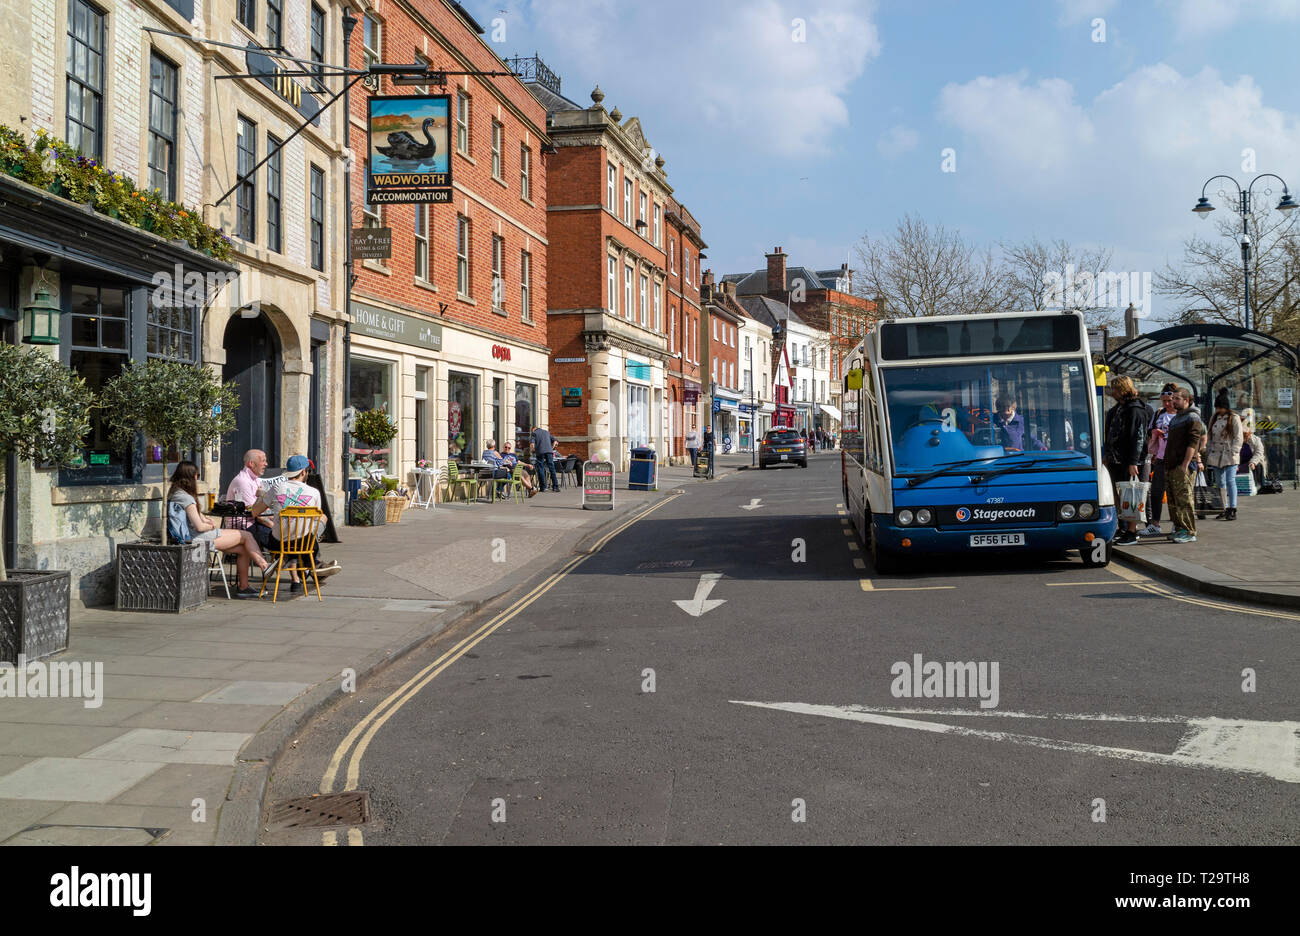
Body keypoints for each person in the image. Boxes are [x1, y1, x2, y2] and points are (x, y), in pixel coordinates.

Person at [167, 461, 269, 600]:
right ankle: (264, 566)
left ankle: (244, 588)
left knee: (244, 549)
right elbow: (199, 527)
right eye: (197, 475)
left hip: (193, 536)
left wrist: (206, 520)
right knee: (246, 535)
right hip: (197, 538)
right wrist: (211, 525)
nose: (197, 478)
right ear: (190, 477)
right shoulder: (186, 498)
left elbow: (197, 517)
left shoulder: (176, 493)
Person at [248, 455, 334, 594]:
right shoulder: (314, 493)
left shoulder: (276, 488)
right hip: (303, 543)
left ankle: (297, 575)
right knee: (315, 524)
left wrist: (262, 496)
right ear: (303, 472)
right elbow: (316, 518)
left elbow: (254, 512)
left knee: (289, 537)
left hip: (278, 542)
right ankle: (312, 565)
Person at [1102, 376, 1153, 545]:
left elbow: (1138, 438)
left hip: (1128, 460)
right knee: (1121, 495)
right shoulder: (1120, 408)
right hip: (1116, 459)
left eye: (1115, 389)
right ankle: (1124, 528)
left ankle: (1132, 531)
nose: (1113, 392)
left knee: (1132, 495)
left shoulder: (1135, 409)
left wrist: (1133, 462)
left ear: (1122, 389)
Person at [1163, 386, 1204, 544]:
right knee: (1173, 500)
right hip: (1171, 465)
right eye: (1173, 398)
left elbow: (1193, 442)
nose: (1173, 401)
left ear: (1186, 400)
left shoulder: (1193, 417)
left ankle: (1189, 531)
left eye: (1177, 399)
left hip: (1183, 465)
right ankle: (1179, 527)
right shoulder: (1176, 418)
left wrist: (1185, 464)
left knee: (1184, 499)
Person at [1143, 384, 1179, 535]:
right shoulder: (1159, 414)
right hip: (1160, 458)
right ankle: (1155, 524)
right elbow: (1148, 430)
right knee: (1157, 491)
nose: (1166, 404)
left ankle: (1177, 523)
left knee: (1175, 493)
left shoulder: (1182, 415)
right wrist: (1154, 432)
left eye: (1169, 400)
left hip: (1176, 459)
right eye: (1163, 400)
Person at [225, 448, 276, 547]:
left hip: (256, 523)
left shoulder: (256, 480)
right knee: (282, 540)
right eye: (263, 461)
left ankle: (286, 561)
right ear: (251, 464)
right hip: (244, 525)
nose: (266, 464)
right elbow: (255, 512)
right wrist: (275, 527)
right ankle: (284, 561)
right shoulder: (243, 481)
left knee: (289, 537)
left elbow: (265, 509)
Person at [1205, 392, 1244, 520]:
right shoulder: (1214, 417)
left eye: (1219, 407)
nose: (1218, 410)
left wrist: (1234, 451)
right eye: (1217, 407)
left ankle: (1232, 508)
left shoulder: (1234, 417)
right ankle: (1223, 507)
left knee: (1230, 480)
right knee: (1219, 482)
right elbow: (1209, 435)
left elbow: (1239, 437)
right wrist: (1209, 449)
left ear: (1225, 407)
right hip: (1216, 454)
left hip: (1229, 454)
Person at [530, 424, 559, 492]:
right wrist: (552, 447)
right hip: (549, 452)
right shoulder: (546, 432)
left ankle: (543, 487)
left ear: (533, 429)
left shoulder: (534, 433)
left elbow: (532, 444)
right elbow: (555, 441)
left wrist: (532, 450)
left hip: (540, 452)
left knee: (541, 468)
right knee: (552, 468)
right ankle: (555, 487)